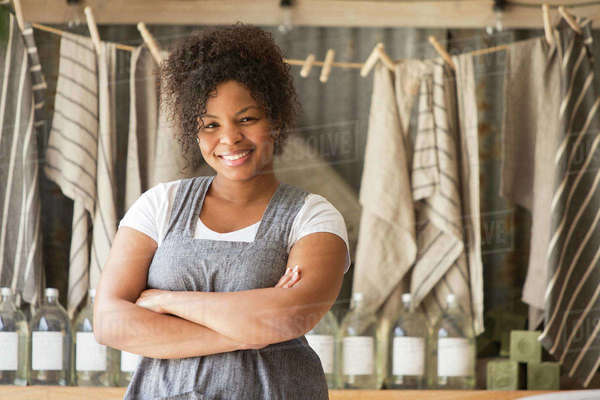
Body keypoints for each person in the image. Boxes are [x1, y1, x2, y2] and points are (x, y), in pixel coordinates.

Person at [93, 23, 351, 399]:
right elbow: (109, 323)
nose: (229, 138)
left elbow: (290, 317)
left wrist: (165, 301)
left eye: (246, 119)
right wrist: (253, 329)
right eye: (210, 125)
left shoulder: (313, 217)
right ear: (192, 133)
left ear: (275, 119)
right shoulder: (160, 205)